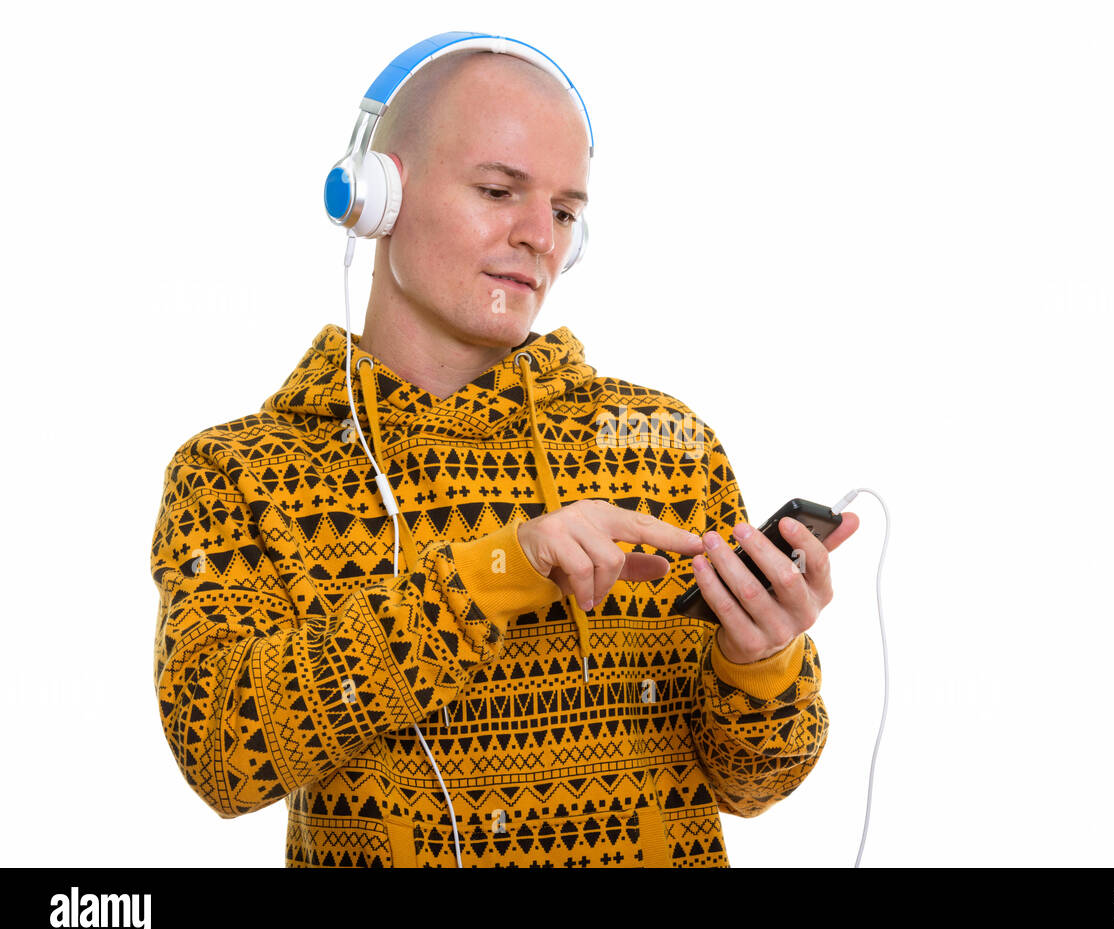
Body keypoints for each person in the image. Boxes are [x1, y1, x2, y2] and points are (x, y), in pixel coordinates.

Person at [150, 41, 859, 868]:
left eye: (563, 211)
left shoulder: (665, 443)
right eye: (497, 191)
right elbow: (218, 753)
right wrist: (494, 572)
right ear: (373, 197)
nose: (538, 238)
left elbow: (754, 784)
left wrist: (762, 661)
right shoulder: (240, 470)